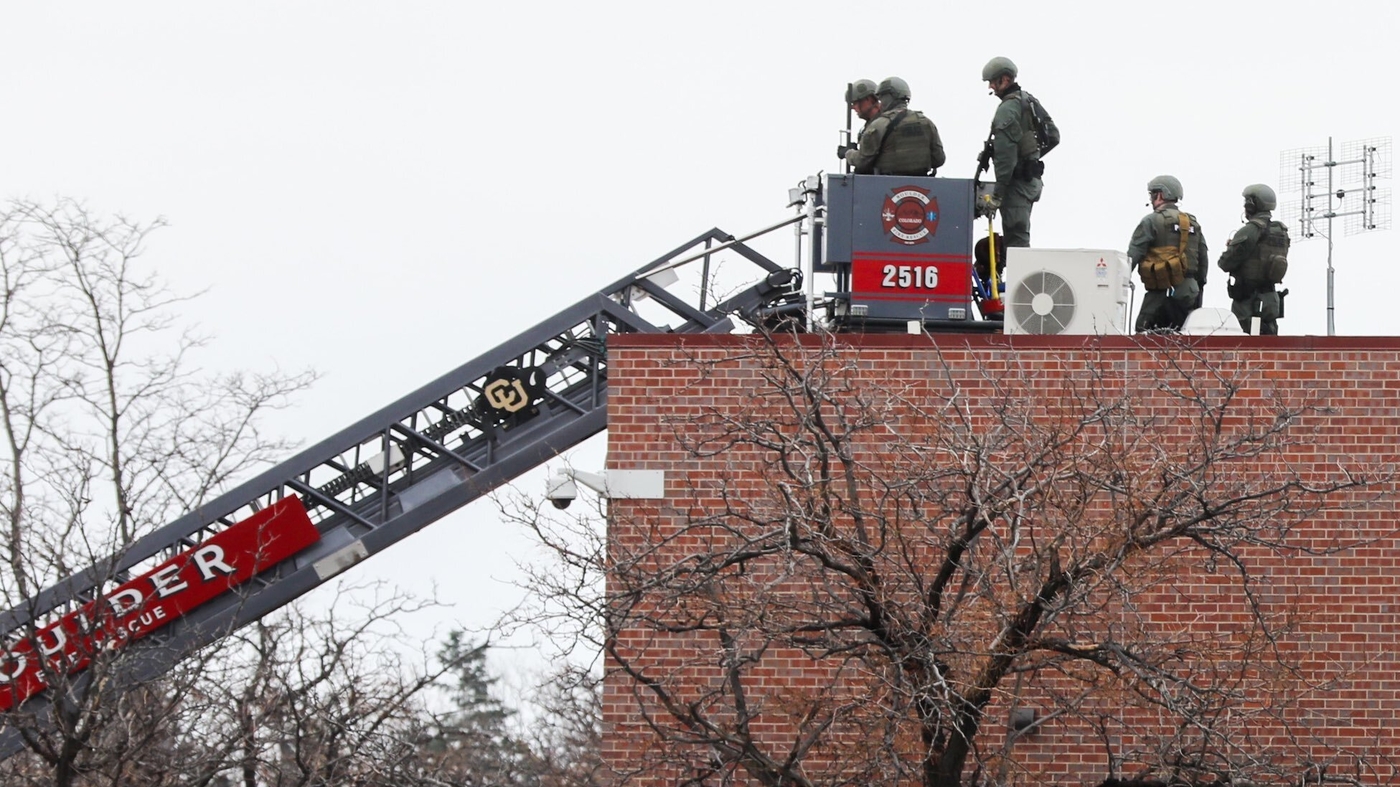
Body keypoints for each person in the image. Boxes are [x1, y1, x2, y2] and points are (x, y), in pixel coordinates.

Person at [975, 57, 1043, 247]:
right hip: (1031, 183)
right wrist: (1030, 157)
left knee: (1016, 243)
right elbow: (1053, 136)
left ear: (1004, 80)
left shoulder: (1007, 109)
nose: (990, 86)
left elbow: (1006, 159)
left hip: (1016, 187)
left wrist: (997, 195)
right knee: (1019, 239)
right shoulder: (1029, 100)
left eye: (992, 81)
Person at [1128, 175, 1207, 332]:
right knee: (1185, 337)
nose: (1151, 199)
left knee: (1144, 334)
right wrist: (1198, 290)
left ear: (1160, 195)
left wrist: (1119, 282)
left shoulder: (1151, 221)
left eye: (1152, 194)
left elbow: (1132, 257)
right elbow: (1203, 262)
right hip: (1189, 294)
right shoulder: (1192, 223)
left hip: (1161, 292)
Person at [1217, 184, 1290, 335]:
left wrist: (1231, 248)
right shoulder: (1280, 232)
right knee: (1269, 340)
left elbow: (1225, 263)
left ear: (1252, 205)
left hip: (1248, 302)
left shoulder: (1250, 230)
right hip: (1271, 300)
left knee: (1246, 342)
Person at [844, 76, 945, 177]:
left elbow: (862, 161)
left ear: (887, 97)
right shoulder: (926, 122)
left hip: (885, 184)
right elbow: (938, 159)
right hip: (922, 184)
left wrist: (848, 153)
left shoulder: (878, 125)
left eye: (881, 97)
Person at [837, 79, 881, 162]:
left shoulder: (879, 125)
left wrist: (848, 153)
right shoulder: (872, 124)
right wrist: (856, 151)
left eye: (855, 103)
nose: (853, 107)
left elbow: (864, 160)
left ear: (869, 99)